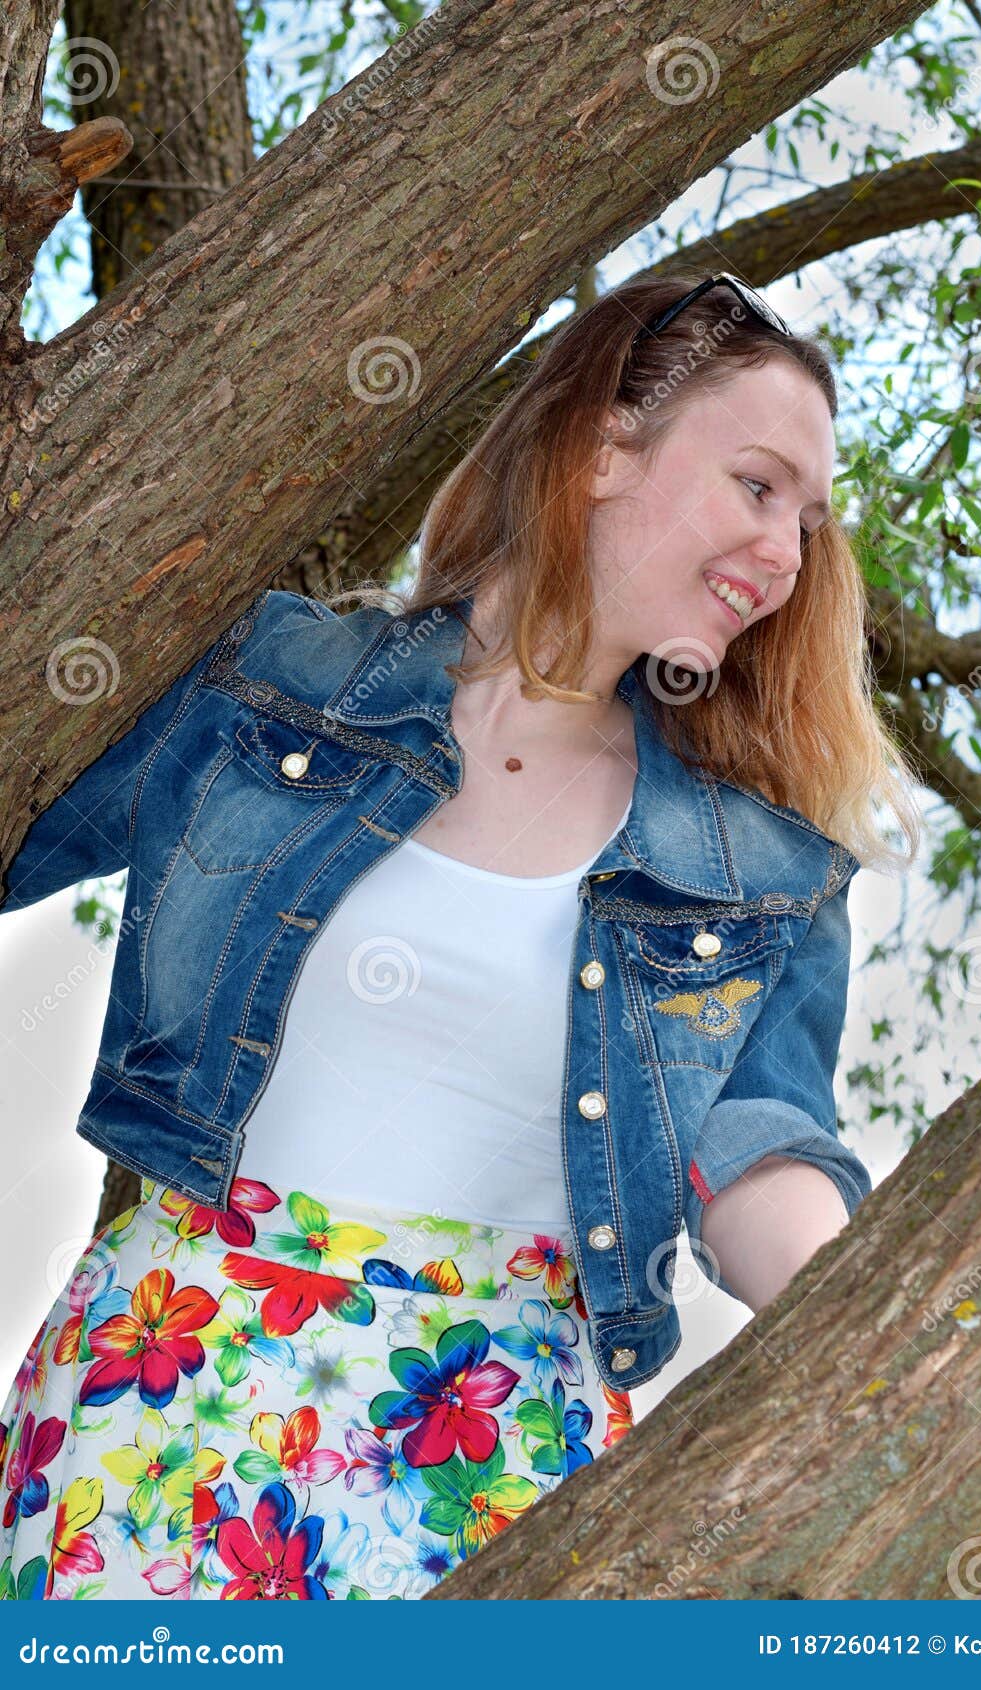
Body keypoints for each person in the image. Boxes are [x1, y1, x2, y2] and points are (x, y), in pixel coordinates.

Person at [0, 274, 924, 1600]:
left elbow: (759, 1160)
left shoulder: (759, 880)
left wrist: (904, 1315)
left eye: (811, 521)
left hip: (493, 1455)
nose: (788, 556)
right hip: (168, 1406)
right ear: (607, 450)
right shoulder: (273, 682)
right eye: (760, 487)